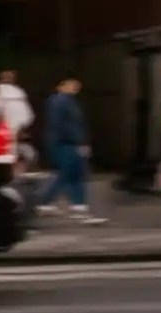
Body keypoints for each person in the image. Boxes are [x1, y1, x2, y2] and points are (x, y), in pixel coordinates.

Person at [35, 76, 107, 224]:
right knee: (69, 173)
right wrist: (79, 142)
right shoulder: (60, 102)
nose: (75, 87)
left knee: (73, 174)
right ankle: (49, 203)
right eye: (71, 84)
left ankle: (75, 206)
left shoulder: (67, 102)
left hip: (68, 142)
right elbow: (64, 126)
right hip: (66, 143)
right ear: (60, 85)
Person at [0, 69, 35, 173]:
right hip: (7, 125)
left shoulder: (19, 90)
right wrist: (1, 126)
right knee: (8, 153)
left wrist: (25, 124)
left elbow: (26, 107)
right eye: (6, 76)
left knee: (25, 153)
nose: (9, 78)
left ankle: (19, 174)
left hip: (21, 125)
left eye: (11, 76)